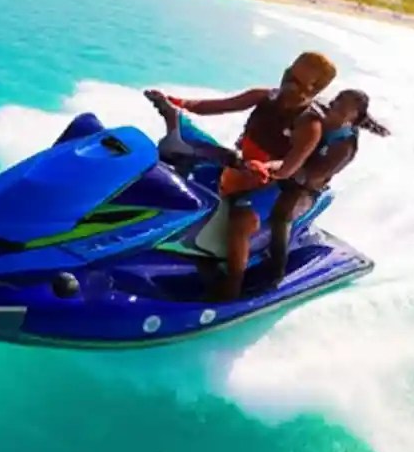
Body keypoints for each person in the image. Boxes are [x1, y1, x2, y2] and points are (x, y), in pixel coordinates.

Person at [143, 51, 338, 300]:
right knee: (185, 170)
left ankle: (232, 285)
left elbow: (290, 166)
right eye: (289, 73)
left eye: (297, 81)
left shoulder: (310, 125)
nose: (287, 82)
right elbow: (214, 106)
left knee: (240, 221)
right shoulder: (264, 96)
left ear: (314, 89)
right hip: (243, 167)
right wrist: (174, 103)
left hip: (279, 185)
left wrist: (266, 167)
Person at [266, 88, 391, 281]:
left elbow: (314, 175)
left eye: (343, 106)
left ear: (354, 116)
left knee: (280, 216)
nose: (336, 105)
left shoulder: (345, 145)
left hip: (306, 187)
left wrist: (284, 169)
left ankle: (275, 273)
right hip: (287, 166)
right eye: (338, 99)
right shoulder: (320, 111)